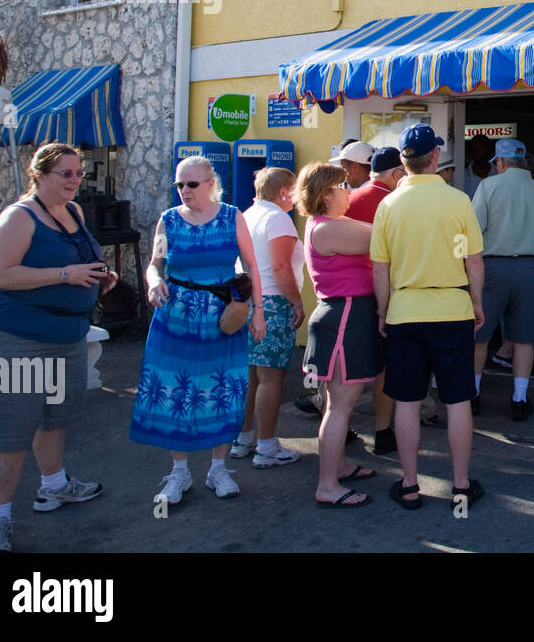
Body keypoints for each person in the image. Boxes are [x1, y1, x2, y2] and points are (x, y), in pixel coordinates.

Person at [0, 143, 116, 552]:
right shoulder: (19, 217)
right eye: (65, 174)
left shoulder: (73, 212)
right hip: (13, 338)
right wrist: (67, 274)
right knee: (11, 434)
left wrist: (95, 279)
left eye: (78, 173)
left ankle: (53, 487)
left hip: (64, 335)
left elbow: (76, 265)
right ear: (39, 175)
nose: (74, 181)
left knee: (54, 418)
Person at [132, 156, 266, 505]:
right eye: (179, 185)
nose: (184, 191)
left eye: (191, 184)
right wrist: (153, 283)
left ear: (210, 184)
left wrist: (259, 313)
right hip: (175, 319)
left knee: (220, 389)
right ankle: (179, 472)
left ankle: (218, 468)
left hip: (223, 319)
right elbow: (155, 264)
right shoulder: (168, 220)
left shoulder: (232, 216)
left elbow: (251, 266)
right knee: (176, 390)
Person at [371, 124, 485, 510]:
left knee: (406, 400)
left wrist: (383, 311)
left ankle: (409, 484)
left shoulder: (388, 205)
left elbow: (380, 269)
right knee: (457, 400)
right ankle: (460, 484)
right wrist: (477, 303)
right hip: (452, 308)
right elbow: (473, 260)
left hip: (405, 310)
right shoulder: (458, 201)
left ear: (403, 161)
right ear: (435, 157)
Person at [297, 161, 384, 507]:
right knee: (339, 406)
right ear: (325, 193)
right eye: (342, 186)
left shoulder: (331, 224)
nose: (348, 191)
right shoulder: (328, 229)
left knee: (339, 404)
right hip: (345, 316)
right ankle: (327, 486)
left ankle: (340, 468)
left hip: (346, 315)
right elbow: (385, 234)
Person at [342, 146, 433, 449]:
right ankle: (382, 431)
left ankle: (339, 427)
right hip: (381, 290)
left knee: (346, 369)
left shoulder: (349, 198)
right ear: (396, 173)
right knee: (383, 368)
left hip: (346, 292)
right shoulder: (393, 202)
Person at [470, 138, 534, 420]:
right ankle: (519, 400)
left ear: (499, 162)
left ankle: (473, 395)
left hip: (491, 269)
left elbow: (472, 234)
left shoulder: (487, 186)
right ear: (524, 163)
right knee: (524, 339)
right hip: (526, 269)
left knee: (479, 335)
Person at [230, 167, 305, 467]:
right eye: (295, 190)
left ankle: (244, 438)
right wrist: (297, 303)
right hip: (273, 303)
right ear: (284, 192)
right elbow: (280, 269)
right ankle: (266, 447)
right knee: (271, 377)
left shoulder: (248, 215)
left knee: (251, 375)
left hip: (247, 301)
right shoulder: (278, 219)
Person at [463, 134, 493, 200]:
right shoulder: (463, 175)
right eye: (474, 148)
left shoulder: (498, 172)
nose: (476, 151)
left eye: (480, 148)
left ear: (487, 150)